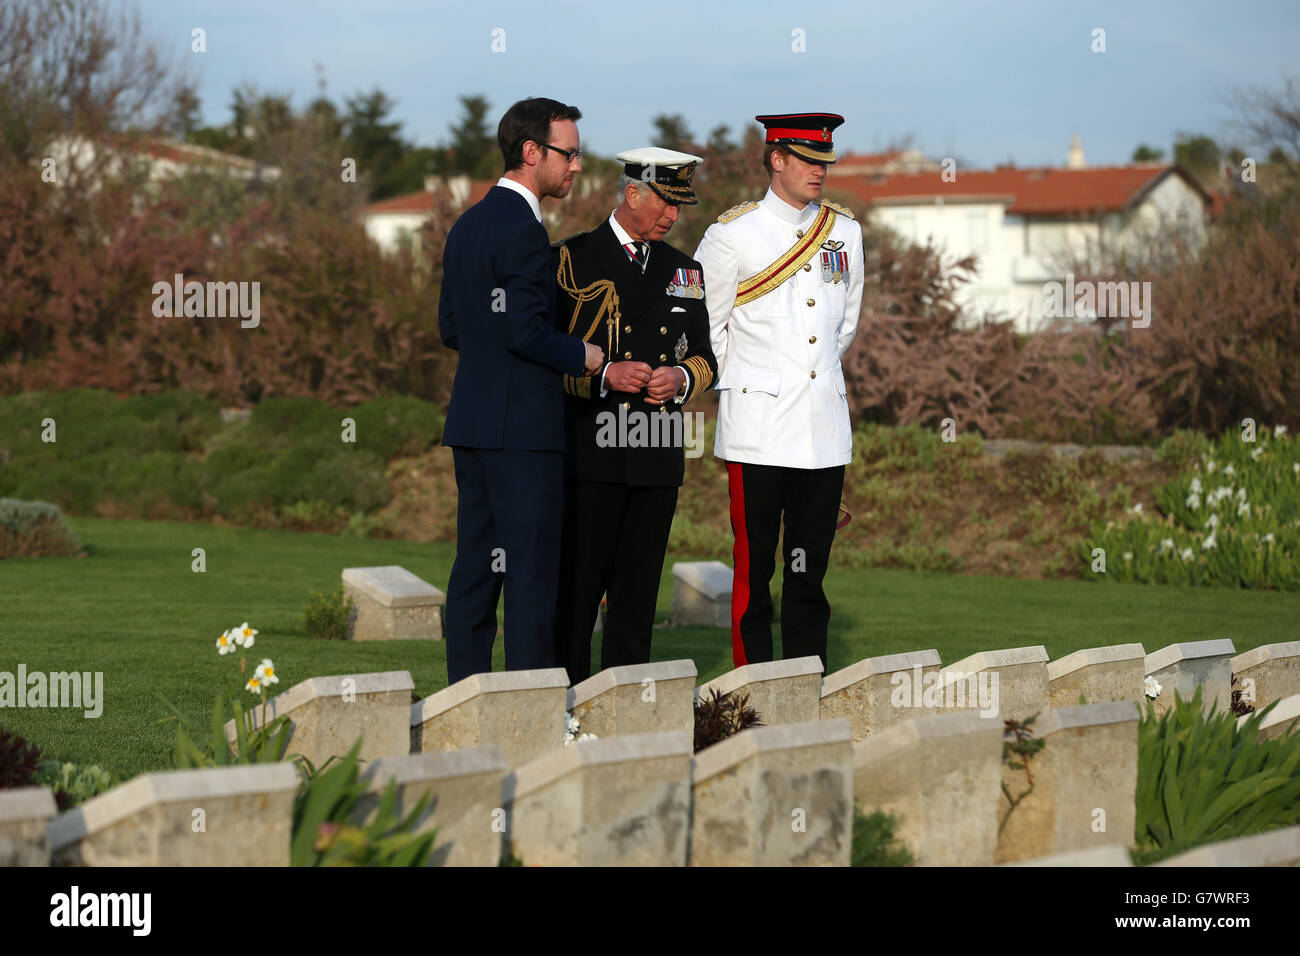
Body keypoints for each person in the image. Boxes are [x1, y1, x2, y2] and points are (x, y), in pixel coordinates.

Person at [438, 97, 605, 684]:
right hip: (524, 434)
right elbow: (527, 331)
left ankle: (464, 700)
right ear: (531, 151)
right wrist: (581, 355)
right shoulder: (525, 231)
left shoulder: (467, 224)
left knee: (476, 573)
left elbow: (452, 327)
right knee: (532, 577)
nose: (577, 166)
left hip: (474, 424)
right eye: (570, 153)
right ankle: (529, 718)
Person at [692, 112, 863, 672]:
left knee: (809, 575)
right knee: (754, 570)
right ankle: (755, 687)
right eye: (809, 161)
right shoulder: (730, 235)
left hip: (822, 430)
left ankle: (805, 683)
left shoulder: (844, 231)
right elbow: (708, 332)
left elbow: (844, 328)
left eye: (825, 162)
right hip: (758, 431)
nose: (820, 172)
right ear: (777, 159)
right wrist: (750, 385)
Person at [552, 147, 718, 684]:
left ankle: (625, 714)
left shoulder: (684, 270)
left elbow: (706, 358)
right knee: (576, 596)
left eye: (679, 206)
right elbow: (542, 355)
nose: (673, 216)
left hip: (656, 452)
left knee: (637, 596)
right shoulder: (570, 260)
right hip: (589, 453)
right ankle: (566, 707)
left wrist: (682, 379)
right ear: (632, 194)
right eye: (666, 203)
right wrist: (604, 376)